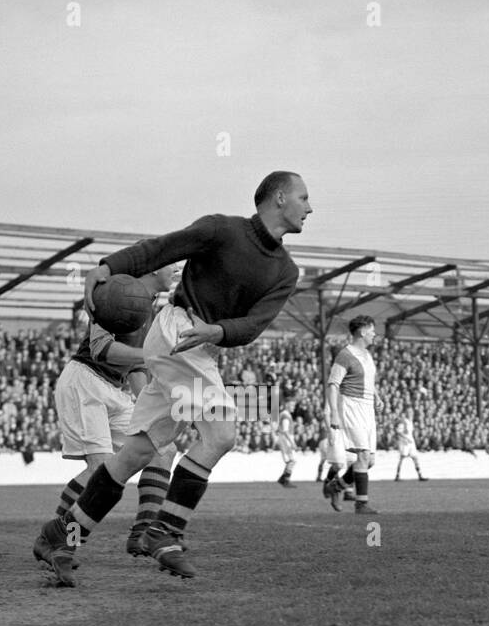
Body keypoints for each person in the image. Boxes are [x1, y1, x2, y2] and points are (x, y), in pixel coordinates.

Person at [32, 170, 311, 584]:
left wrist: (217, 332)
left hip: (201, 346)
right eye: (304, 197)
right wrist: (107, 266)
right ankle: (166, 531)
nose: (310, 207)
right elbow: (160, 250)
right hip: (178, 332)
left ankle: (62, 534)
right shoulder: (221, 230)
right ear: (280, 198)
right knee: (221, 434)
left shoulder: (286, 271)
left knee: (135, 454)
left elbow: (254, 324)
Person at [43, 262, 182, 574]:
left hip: (115, 389)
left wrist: (150, 408)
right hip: (86, 380)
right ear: (152, 270)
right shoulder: (116, 291)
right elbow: (101, 349)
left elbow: (134, 367)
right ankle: (61, 539)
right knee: (100, 471)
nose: (176, 269)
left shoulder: (152, 307)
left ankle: (143, 533)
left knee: (162, 448)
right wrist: (153, 357)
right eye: (171, 265)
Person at [326, 315, 380, 514]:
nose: (374, 334)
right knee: (363, 455)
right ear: (363, 332)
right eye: (372, 330)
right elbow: (333, 385)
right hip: (352, 405)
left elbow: (369, 381)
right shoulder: (345, 355)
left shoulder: (367, 355)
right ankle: (361, 503)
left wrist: (377, 397)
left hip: (367, 407)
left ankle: (337, 486)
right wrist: (334, 414)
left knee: (369, 460)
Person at [316, 423, 350, 511]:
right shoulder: (332, 410)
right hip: (335, 436)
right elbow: (327, 415)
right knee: (338, 464)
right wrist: (330, 431)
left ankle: (347, 492)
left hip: (348, 435)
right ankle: (332, 486)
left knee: (355, 463)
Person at [393, 409, 426, 481]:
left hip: (411, 443)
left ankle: (420, 475)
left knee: (415, 458)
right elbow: (398, 432)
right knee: (402, 458)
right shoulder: (403, 421)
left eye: (411, 412)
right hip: (405, 443)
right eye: (409, 412)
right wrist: (406, 439)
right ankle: (397, 475)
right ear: (405, 413)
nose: (411, 413)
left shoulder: (410, 421)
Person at [275, 397, 298, 487]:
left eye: (294, 405)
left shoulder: (284, 414)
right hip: (286, 439)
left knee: (291, 460)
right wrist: (292, 443)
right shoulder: (285, 415)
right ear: (287, 405)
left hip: (284, 438)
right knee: (292, 460)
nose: (294, 407)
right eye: (292, 405)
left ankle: (283, 479)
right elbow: (285, 430)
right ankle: (285, 480)